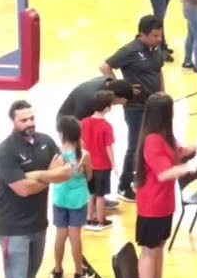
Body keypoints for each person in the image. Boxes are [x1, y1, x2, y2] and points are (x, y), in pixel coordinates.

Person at [0, 100, 70, 278]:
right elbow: (23, 189)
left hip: (38, 223)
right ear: (13, 122)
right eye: (23, 120)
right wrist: (50, 174)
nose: (30, 123)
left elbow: (67, 172)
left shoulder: (46, 141)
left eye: (31, 118)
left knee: (28, 277)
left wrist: (39, 175)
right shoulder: (5, 152)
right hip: (12, 227)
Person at [132, 93, 197, 278]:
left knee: (159, 247)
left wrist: (191, 151)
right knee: (149, 250)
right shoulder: (152, 139)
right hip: (152, 204)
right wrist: (184, 168)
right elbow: (163, 173)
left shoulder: (165, 136)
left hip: (164, 204)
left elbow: (177, 153)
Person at [101, 15, 166, 202]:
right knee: (135, 144)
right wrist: (120, 87)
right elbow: (105, 66)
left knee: (151, 142)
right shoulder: (130, 50)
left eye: (160, 35)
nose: (158, 39)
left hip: (153, 105)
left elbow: (158, 71)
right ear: (142, 35)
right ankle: (124, 184)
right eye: (155, 36)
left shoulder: (155, 48)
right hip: (136, 107)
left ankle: (142, 177)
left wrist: (162, 94)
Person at [49, 116, 92, 278]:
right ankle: (79, 272)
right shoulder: (84, 155)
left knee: (61, 234)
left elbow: (52, 176)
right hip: (78, 198)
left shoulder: (56, 155)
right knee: (75, 236)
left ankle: (58, 270)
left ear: (61, 134)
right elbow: (89, 176)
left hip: (60, 197)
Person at [81, 91, 117, 230]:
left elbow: (82, 142)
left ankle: (89, 218)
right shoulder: (106, 126)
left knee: (91, 193)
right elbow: (109, 148)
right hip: (102, 165)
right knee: (101, 195)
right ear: (107, 108)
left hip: (89, 164)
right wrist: (114, 164)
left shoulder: (84, 122)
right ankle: (101, 219)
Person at [56, 75, 133, 120]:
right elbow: (79, 125)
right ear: (116, 96)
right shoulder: (91, 99)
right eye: (117, 103)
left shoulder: (108, 81)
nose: (114, 105)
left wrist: (127, 88)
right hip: (68, 122)